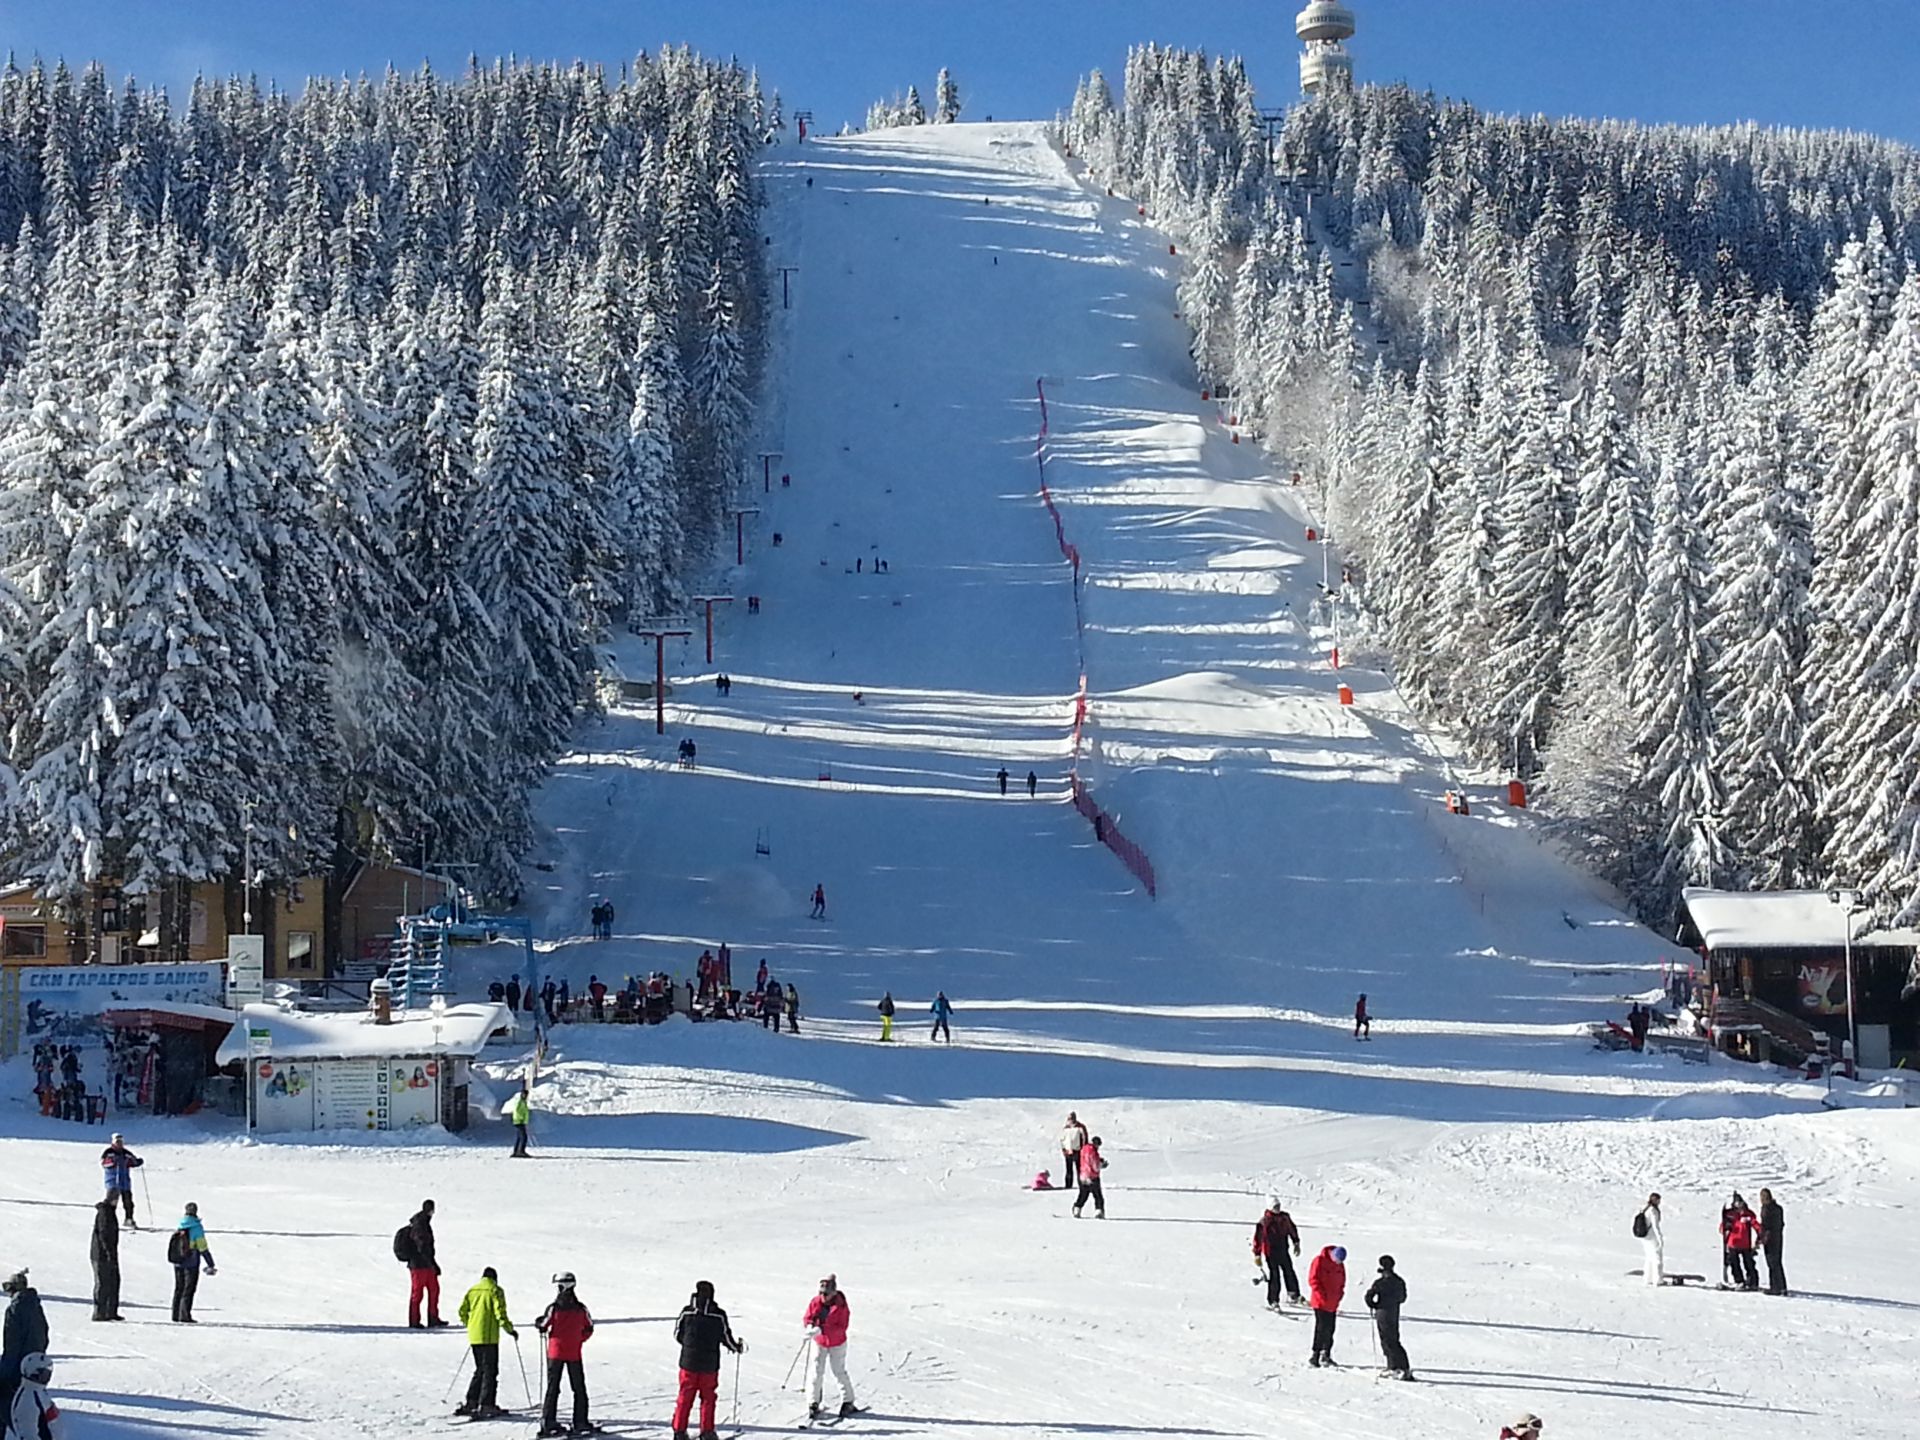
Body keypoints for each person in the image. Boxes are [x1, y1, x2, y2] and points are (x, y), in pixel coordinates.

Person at [672, 1279, 744, 1440]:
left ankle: (679, 1431)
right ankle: (707, 1431)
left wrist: (689, 1346)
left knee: (685, 1396)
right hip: (709, 1365)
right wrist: (736, 1347)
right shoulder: (718, 1315)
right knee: (708, 1397)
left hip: (688, 1363)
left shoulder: (687, 1312)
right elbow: (726, 1337)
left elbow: (677, 1334)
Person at [536, 1272, 594, 1438]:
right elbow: (589, 1327)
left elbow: (543, 1324)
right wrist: (578, 1340)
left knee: (553, 1388)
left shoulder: (554, 1308)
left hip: (555, 1353)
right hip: (574, 1353)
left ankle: (548, 1421)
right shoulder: (580, 1308)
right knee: (579, 1388)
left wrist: (538, 1323)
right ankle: (580, 1421)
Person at [456, 1266, 516, 1420]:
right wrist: (510, 1329)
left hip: (474, 1336)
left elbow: (462, 1311)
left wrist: (470, 1325)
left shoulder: (473, 1290)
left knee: (480, 1369)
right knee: (490, 1370)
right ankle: (487, 1404)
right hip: (489, 1336)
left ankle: (472, 1401)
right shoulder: (495, 1290)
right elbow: (499, 1312)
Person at [803, 1275, 858, 1421]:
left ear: (833, 1293)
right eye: (821, 1292)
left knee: (838, 1371)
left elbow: (842, 1327)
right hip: (819, 1342)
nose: (822, 1296)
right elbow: (808, 1316)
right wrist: (809, 1326)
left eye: (826, 1293)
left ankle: (848, 1400)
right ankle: (813, 1402)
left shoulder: (841, 1306)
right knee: (816, 1370)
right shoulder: (815, 1302)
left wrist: (822, 1330)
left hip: (837, 1343)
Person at [1, 1271, 48, 1422]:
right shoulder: (36, 1306)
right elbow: (45, 1334)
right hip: (35, 1364)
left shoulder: (15, 1309)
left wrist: (4, 1373)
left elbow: (12, 1344)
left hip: (17, 1367)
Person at [400, 1199, 447, 1328]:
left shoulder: (424, 1222)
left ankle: (433, 1318)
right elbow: (422, 1247)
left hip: (425, 1264)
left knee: (434, 1290)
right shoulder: (419, 1224)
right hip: (418, 1265)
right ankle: (414, 1321)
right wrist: (432, 1263)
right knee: (418, 1293)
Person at [1363, 1256, 1413, 1380]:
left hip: (1382, 1313)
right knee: (1394, 1339)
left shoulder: (1380, 1283)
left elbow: (1369, 1296)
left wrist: (1374, 1305)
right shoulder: (1399, 1281)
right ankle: (1403, 1366)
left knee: (1387, 1340)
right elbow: (1403, 1298)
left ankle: (1393, 1367)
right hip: (1394, 1312)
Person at [1253, 1198, 1303, 1308]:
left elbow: (1291, 1229)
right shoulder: (1264, 1221)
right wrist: (1257, 1254)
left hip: (1283, 1249)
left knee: (1289, 1271)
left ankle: (1293, 1293)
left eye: (1279, 1206)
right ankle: (1273, 1300)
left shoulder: (1284, 1217)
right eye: (1275, 1207)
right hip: (1271, 1252)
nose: (1278, 1208)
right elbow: (1258, 1237)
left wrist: (1296, 1242)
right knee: (1274, 1275)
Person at [1307, 1245, 1346, 1367]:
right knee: (1321, 1328)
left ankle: (1326, 1354)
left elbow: (1342, 1282)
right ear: (1332, 1254)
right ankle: (1315, 1355)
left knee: (1330, 1329)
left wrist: (1339, 1295)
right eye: (1337, 1259)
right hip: (1320, 1302)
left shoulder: (1340, 1265)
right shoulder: (1319, 1260)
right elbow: (1313, 1280)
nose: (1338, 1263)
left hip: (1333, 1303)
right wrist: (1321, 1295)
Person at [5, 1350, 58, 1440]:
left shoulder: (37, 1391)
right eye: (45, 1373)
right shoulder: (27, 1401)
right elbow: (28, 1435)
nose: (48, 1377)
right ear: (35, 1374)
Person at [90, 1199, 121, 1322]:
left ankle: (111, 1311)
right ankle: (99, 1312)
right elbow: (104, 1234)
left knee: (114, 1281)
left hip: (110, 1253)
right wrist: (108, 1252)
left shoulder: (110, 1212)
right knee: (102, 1283)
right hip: (101, 1255)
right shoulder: (104, 1213)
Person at [100, 1134, 142, 1226]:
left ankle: (129, 1219)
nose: (119, 1144)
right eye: (117, 1142)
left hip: (124, 1181)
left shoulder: (126, 1153)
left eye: (121, 1142)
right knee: (111, 1202)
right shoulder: (109, 1152)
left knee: (128, 1201)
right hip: (113, 1181)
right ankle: (108, 1220)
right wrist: (113, 1162)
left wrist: (138, 1162)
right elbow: (103, 1163)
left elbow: (133, 1161)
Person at [1720, 1193, 1757, 1288]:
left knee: (1749, 1263)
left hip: (1745, 1244)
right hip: (1733, 1243)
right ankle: (1739, 1280)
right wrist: (1725, 1227)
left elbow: (1755, 1223)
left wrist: (1760, 1233)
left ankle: (1752, 1281)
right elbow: (1722, 1228)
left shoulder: (1748, 1214)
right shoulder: (1730, 1214)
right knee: (1734, 1264)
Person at [1758, 1188, 1787, 1296]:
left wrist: (1762, 1238)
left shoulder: (1766, 1209)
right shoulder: (1778, 1208)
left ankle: (1775, 1287)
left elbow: (1765, 1225)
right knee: (1777, 1262)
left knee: (1772, 1263)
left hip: (1770, 1238)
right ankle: (1782, 1286)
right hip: (1778, 1237)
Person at [1072, 1136, 1106, 1219]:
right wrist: (1101, 1165)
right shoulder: (1093, 1152)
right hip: (1092, 1177)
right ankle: (1099, 1211)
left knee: (1083, 1195)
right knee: (1098, 1195)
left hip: (1083, 1175)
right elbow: (1094, 1165)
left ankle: (1077, 1209)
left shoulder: (1083, 1149)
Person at [1637, 1192, 1665, 1286]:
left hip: (1644, 1236)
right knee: (1657, 1258)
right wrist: (1660, 1238)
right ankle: (1658, 1279)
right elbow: (1655, 1226)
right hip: (1652, 1236)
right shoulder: (1653, 1211)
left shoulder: (1644, 1208)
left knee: (1649, 1257)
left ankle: (1647, 1278)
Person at [1059, 1112, 1088, 1189]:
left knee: (1079, 1169)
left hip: (1078, 1151)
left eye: (1072, 1118)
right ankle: (1068, 1185)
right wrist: (1064, 1149)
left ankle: (1082, 1184)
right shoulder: (1066, 1128)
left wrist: (1083, 1149)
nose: (1070, 1120)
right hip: (1068, 1151)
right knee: (1068, 1169)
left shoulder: (1080, 1127)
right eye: (1069, 1118)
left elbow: (1085, 1138)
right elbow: (1062, 1139)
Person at [511, 1083, 532, 1158]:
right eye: (524, 1094)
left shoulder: (523, 1102)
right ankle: (521, 1151)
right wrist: (521, 1119)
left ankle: (516, 1151)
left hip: (521, 1121)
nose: (525, 1096)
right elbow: (517, 1111)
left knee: (520, 1137)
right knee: (524, 1137)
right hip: (519, 1121)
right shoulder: (519, 1102)